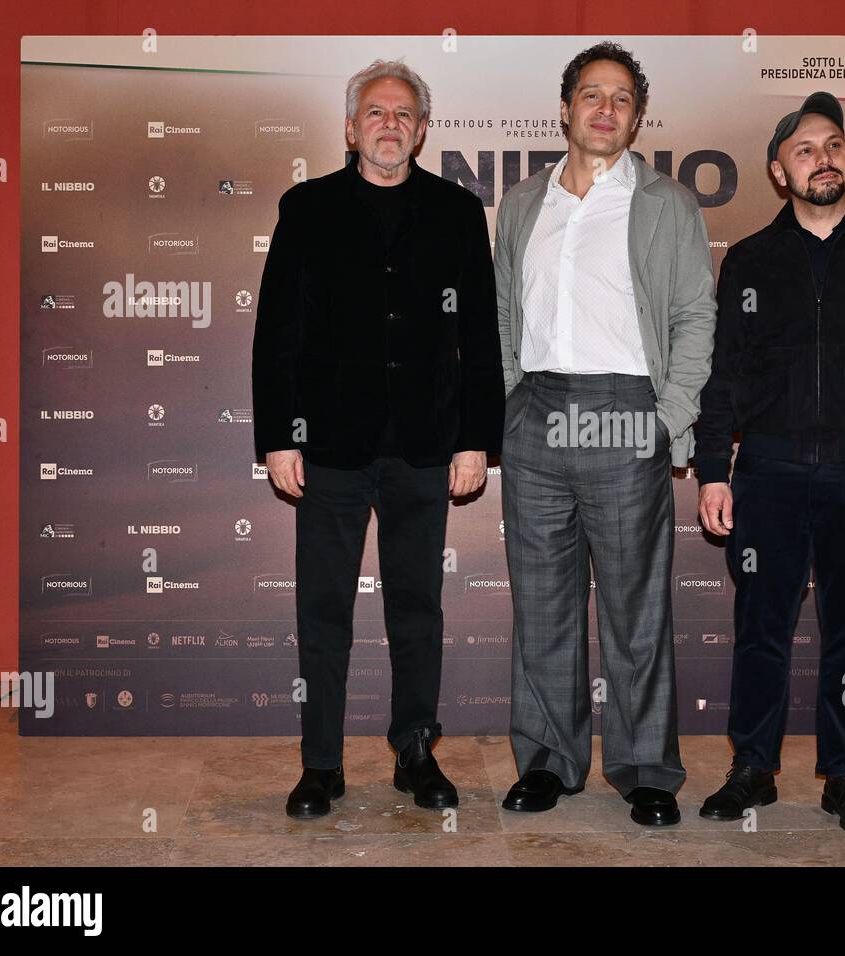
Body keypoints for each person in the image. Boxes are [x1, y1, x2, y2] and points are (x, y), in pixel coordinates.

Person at [251, 59, 505, 819]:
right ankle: (320, 767)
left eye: (403, 114)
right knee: (323, 610)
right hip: (328, 445)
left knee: (417, 610)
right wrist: (279, 437)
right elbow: (279, 334)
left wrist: (474, 440)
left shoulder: (458, 213)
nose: (389, 124)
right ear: (350, 128)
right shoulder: (308, 207)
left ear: (422, 130)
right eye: (375, 112)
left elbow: (479, 335)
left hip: (425, 447)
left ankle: (415, 755)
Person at [693, 92, 845, 834]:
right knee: (760, 627)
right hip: (766, 472)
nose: (822, 157)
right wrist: (713, 468)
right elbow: (724, 375)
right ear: (779, 171)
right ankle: (752, 768)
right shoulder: (749, 260)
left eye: (832, 144)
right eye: (804, 149)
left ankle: (844, 776)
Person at [493, 42, 717, 827]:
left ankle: (646, 766)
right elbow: (503, 318)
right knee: (543, 606)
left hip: (628, 412)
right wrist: (511, 407)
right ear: (565, 108)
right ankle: (549, 761)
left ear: (637, 116)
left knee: (635, 607)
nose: (605, 109)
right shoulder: (522, 203)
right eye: (592, 94)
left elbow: (694, 316)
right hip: (535, 415)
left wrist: (666, 421)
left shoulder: (667, 203)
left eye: (622, 98)